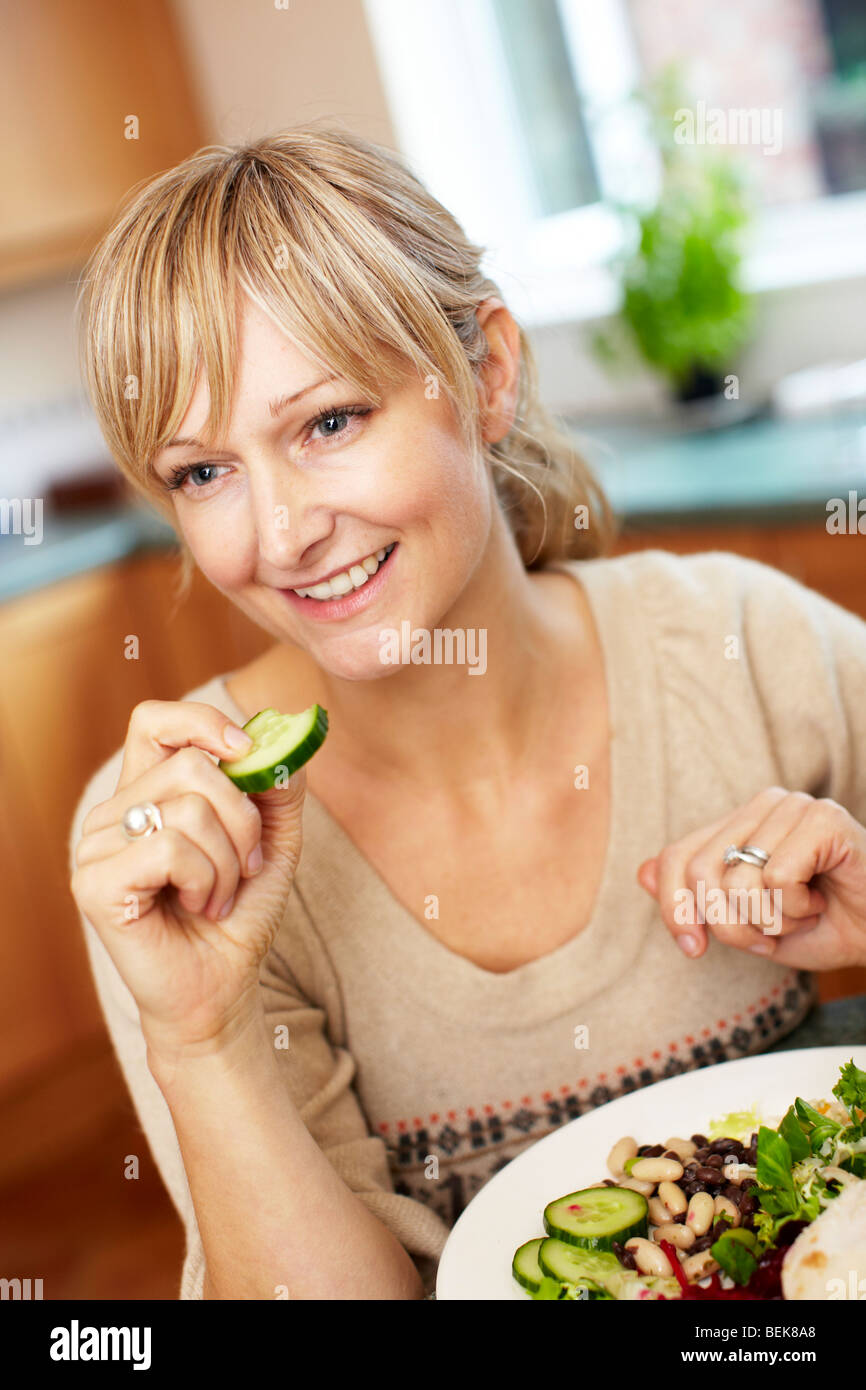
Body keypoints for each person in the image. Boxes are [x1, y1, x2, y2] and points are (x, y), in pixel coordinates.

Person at [68, 125, 866, 1301]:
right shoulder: (179, 844)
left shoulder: (748, 648)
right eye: (203, 472)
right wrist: (204, 1040)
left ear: (487, 374)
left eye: (328, 422)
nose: (281, 534)